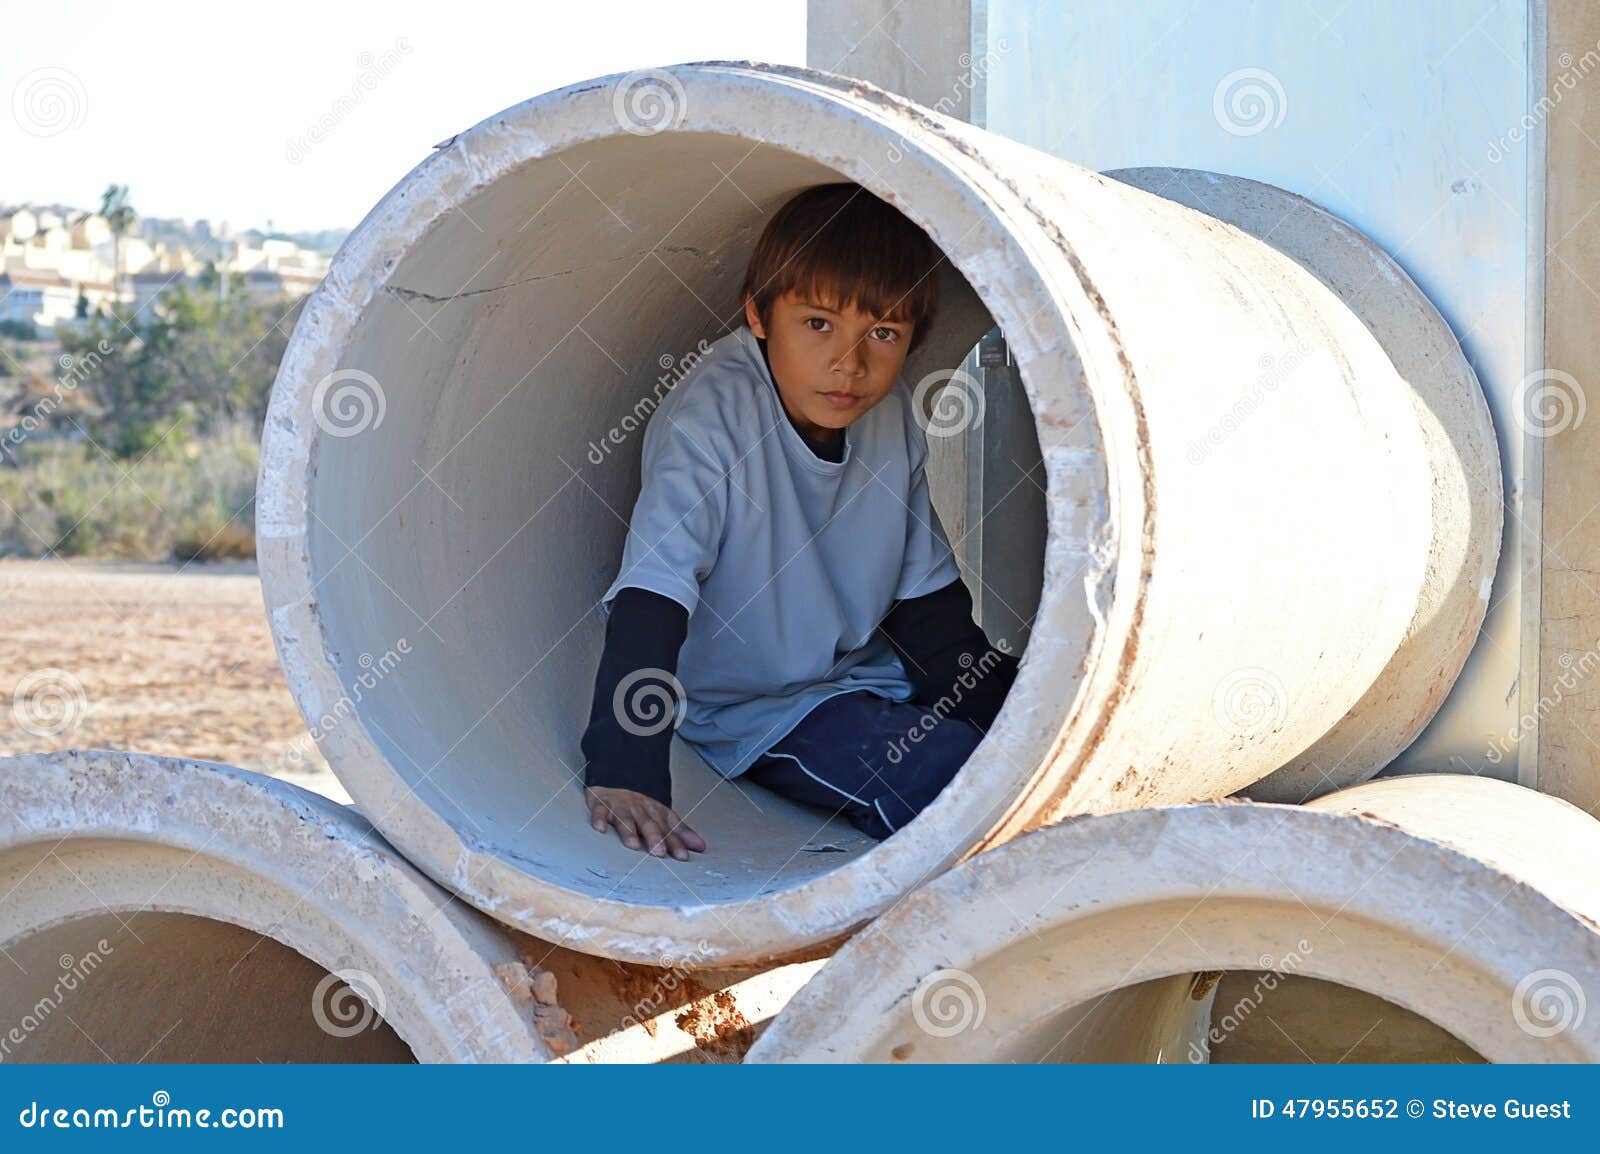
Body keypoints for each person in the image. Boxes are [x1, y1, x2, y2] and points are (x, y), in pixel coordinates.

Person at [580, 181, 1019, 861]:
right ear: (759, 316)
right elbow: (653, 591)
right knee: (948, 772)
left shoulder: (888, 412)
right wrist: (623, 765)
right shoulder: (714, 417)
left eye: (883, 332)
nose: (849, 363)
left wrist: (1007, 710)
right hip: (762, 709)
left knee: (1040, 718)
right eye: (817, 324)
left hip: (868, 676)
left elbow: (926, 607)